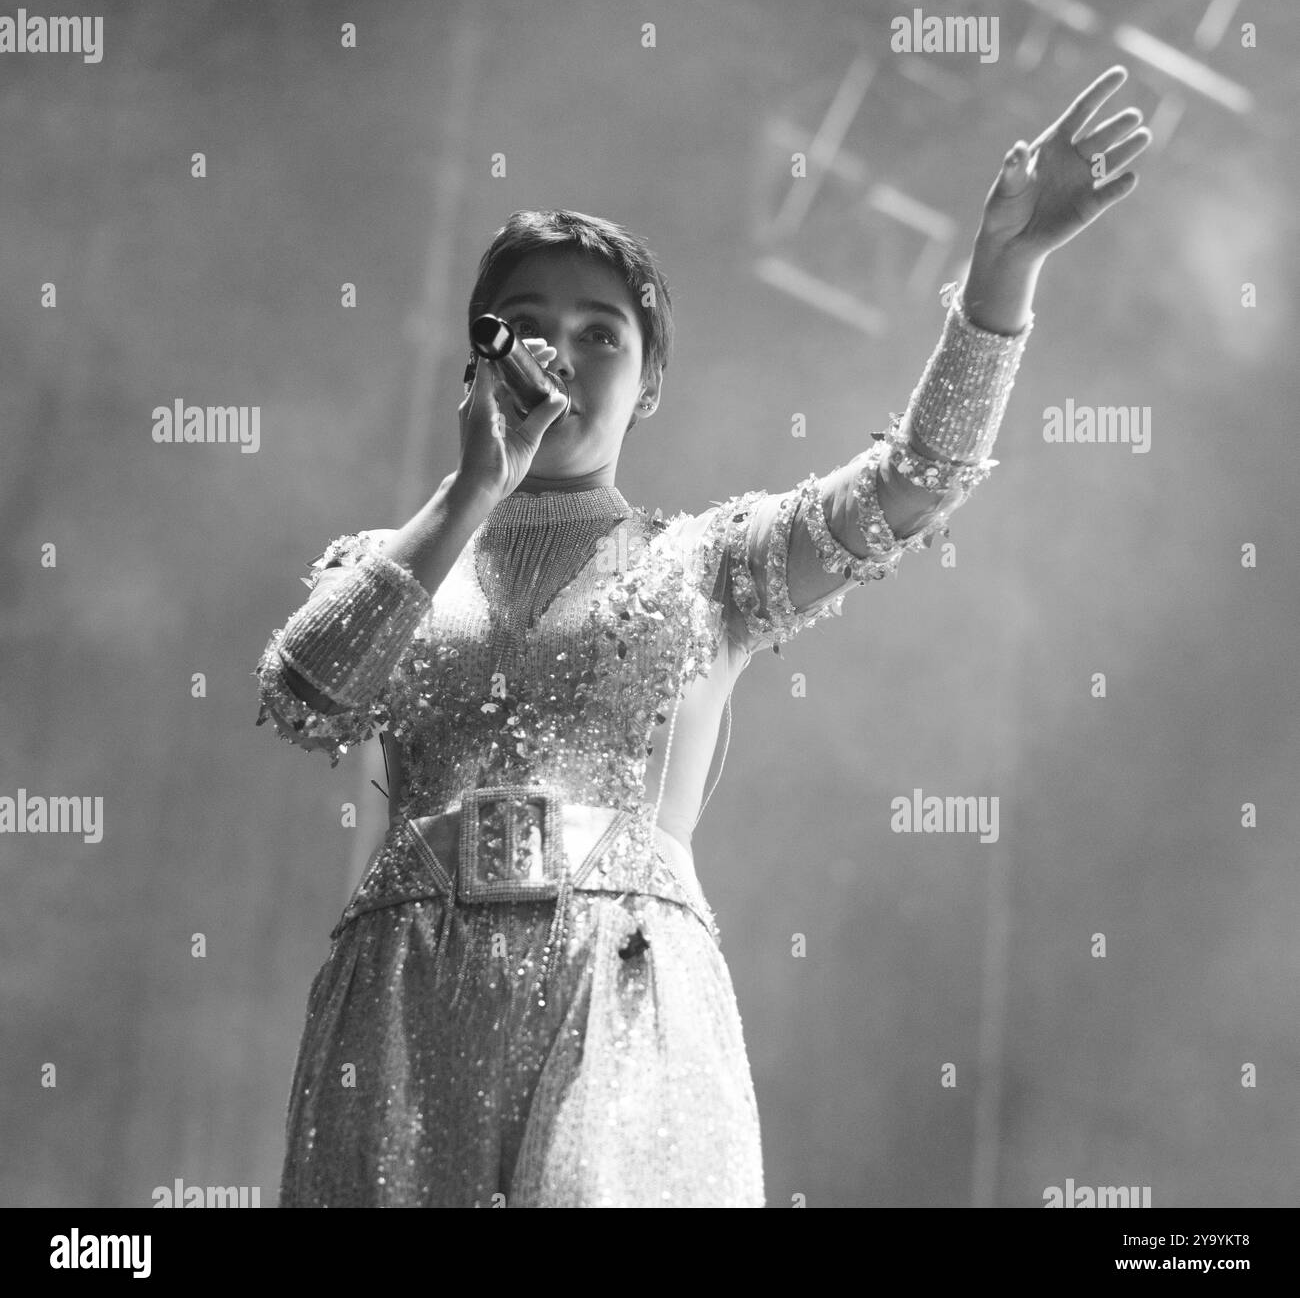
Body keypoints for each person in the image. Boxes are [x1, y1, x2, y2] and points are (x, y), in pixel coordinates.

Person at [255, 66, 1149, 1207]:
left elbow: (914, 482)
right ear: (479, 359)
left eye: (600, 334)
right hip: (401, 1006)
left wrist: (1003, 269)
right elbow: (300, 696)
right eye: (526, 330)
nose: (561, 357)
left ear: (652, 379)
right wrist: (471, 493)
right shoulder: (394, 561)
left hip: (621, 1004)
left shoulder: (711, 563)